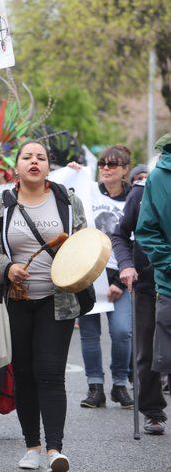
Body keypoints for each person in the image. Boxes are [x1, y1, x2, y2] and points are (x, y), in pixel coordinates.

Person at [0, 141, 87, 472]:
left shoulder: (68, 202)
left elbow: (84, 243)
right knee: (23, 374)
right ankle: (32, 446)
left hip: (57, 301)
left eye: (41, 158)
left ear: (49, 166)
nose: (34, 161)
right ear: (16, 167)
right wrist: (5, 267)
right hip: (13, 302)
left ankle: (55, 450)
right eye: (27, 157)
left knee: (50, 374)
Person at [69, 145, 134, 409]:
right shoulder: (88, 189)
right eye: (103, 163)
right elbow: (65, 191)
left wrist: (119, 280)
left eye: (113, 164)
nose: (106, 168)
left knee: (122, 332)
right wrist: (72, 174)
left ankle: (119, 384)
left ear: (125, 170)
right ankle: (95, 386)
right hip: (90, 273)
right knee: (89, 334)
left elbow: (136, 240)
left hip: (121, 275)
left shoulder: (135, 198)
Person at [112, 139, 168, 434]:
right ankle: (153, 409)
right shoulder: (141, 192)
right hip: (147, 281)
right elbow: (120, 234)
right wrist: (126, 264)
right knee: (146, 349)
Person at [136, 133, 171, 407]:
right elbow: (143, 230)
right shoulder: (158, 179)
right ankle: (153, 409)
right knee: (152, 353)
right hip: (163, 283)